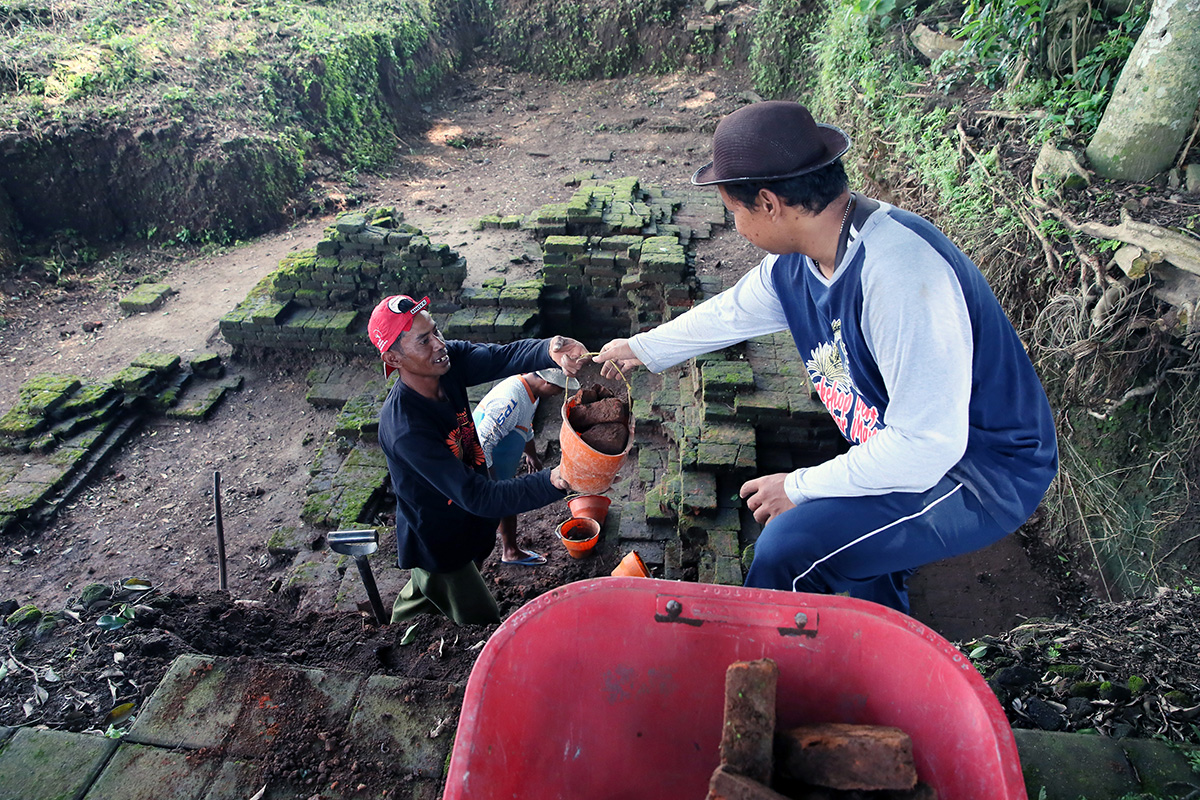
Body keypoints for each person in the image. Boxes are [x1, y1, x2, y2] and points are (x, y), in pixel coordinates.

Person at [594, 100, 1058, 614]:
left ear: (768, 202)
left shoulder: (898, 275)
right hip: (901, 445)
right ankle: (877, 652)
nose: (738, 229)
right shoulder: (798, 263)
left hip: (976, 470)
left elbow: (927, 446)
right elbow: (730, 313)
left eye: (734, 212)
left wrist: (798, 486)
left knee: (789, 548)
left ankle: (765, 672)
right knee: (857, 558)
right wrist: (640, 349)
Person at [369, 293, 589, 625]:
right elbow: (476, 495)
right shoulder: (406, 428)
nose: (439, 344)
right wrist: (556, 480)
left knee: (430, 590)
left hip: (469, 523)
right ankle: (396, 628)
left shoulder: (446, 366)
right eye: (424, 340)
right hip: (440, 537)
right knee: (480, 616)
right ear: (393, 358)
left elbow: (501, 357)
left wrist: (548, 350)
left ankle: (403, 615)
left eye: (436, 331)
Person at [473, 368, 581, 566]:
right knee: (484, 520)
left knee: (506, 504)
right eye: (558, 389)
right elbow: (481, 444)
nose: (559, 394)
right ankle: (471, 566)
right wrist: (490, 482)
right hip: (486, 470)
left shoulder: (530, 393)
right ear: (547, 383)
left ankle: (510, 551)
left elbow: (525, 426)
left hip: (500, 468)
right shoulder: (509, 400)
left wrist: (531, 454)